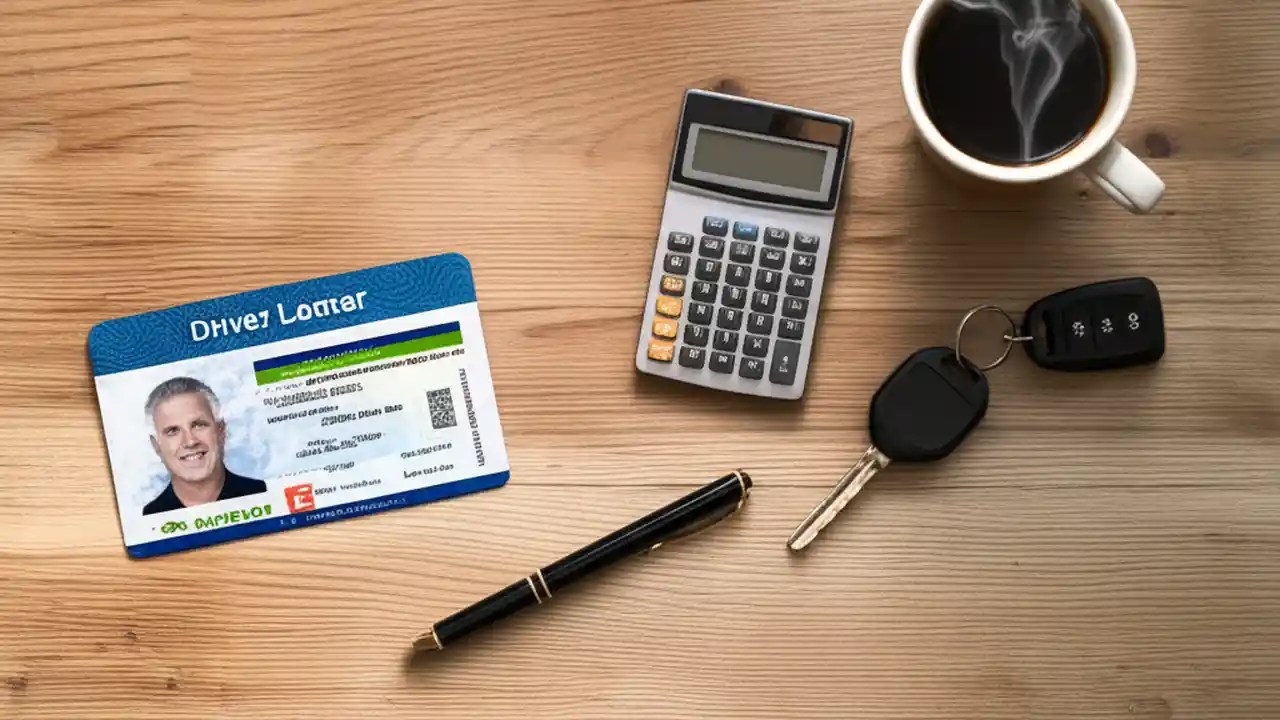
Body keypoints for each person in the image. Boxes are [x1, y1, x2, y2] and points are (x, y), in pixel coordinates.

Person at [142, 377, 266, 515]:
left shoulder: (264, 496)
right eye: (173, 431)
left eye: (198, 425)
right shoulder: (149, 519)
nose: (190, 442)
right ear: (156, 445)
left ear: (221, 431)